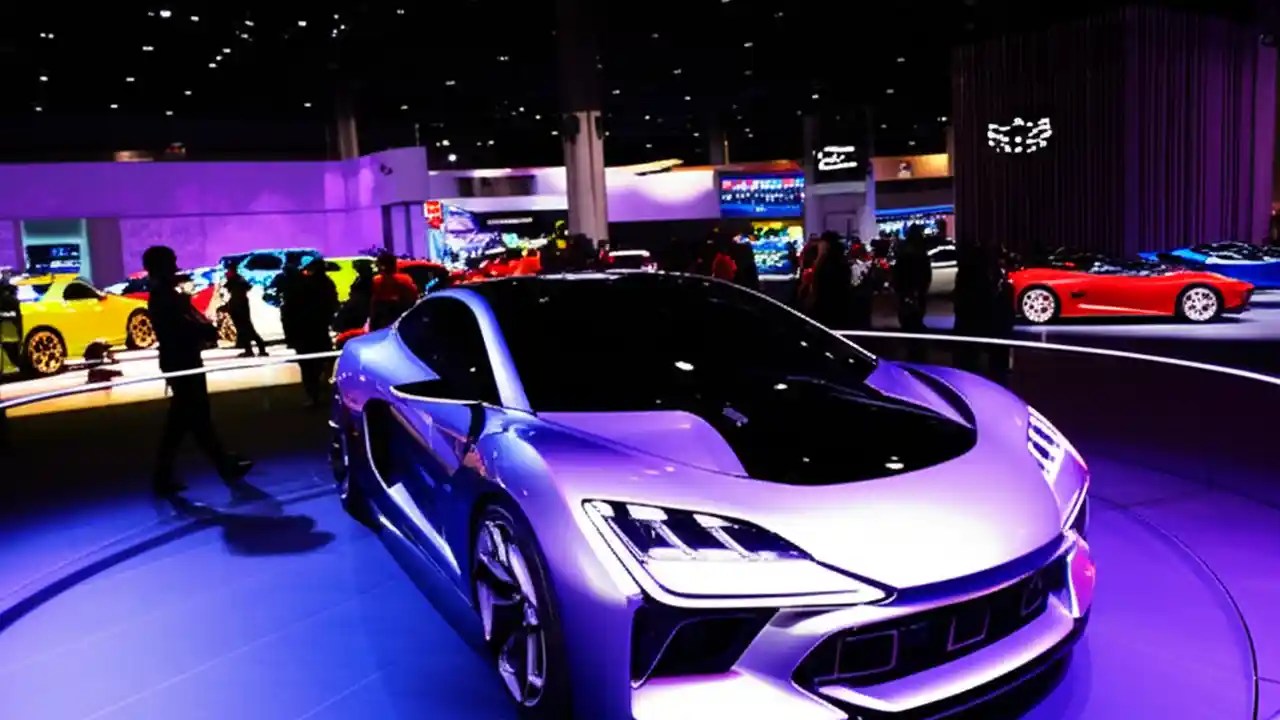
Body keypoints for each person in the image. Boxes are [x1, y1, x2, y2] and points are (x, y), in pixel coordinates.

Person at [143, 245, 252, 495]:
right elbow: (183, 327)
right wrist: (204, 328)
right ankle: (221, 466)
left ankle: (220, 465)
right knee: (191, 418)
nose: (175, 265)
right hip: (182, 361)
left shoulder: (165, 294)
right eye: (171, 261)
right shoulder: (165, 296)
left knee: (186, 421)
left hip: (181, 359)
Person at [294, 257, 340, 407]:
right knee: (324, 360)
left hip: (307, 330)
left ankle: (313, 395)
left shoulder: (304, 285)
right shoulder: (327, 284)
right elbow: (333, 305)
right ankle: (324, 388)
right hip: (320, 328)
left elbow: (295, 308)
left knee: (308, 365)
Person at [894, 224, 932, 331]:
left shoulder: (905, 252)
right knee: (915, 306)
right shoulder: (920, 252)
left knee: (910, 307)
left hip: (909, 286)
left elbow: (898, 271)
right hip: (914, 285)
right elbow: (926, 272)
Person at [224, 265, 267, 358]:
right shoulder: (238, 280)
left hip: (239, 307)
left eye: (228, 271)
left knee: (247, 329)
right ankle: (251, 350)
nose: (226, 273)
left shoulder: (236, 280)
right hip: (239, 306)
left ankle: (258, 349)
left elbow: (229, 288)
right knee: (244, 330)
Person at [369, 252, 419, 331]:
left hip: (389, 326)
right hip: (401, 324)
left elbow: (374, 306)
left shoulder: (378, 281)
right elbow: (414, 300)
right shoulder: (405, 280)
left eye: (378, 265)